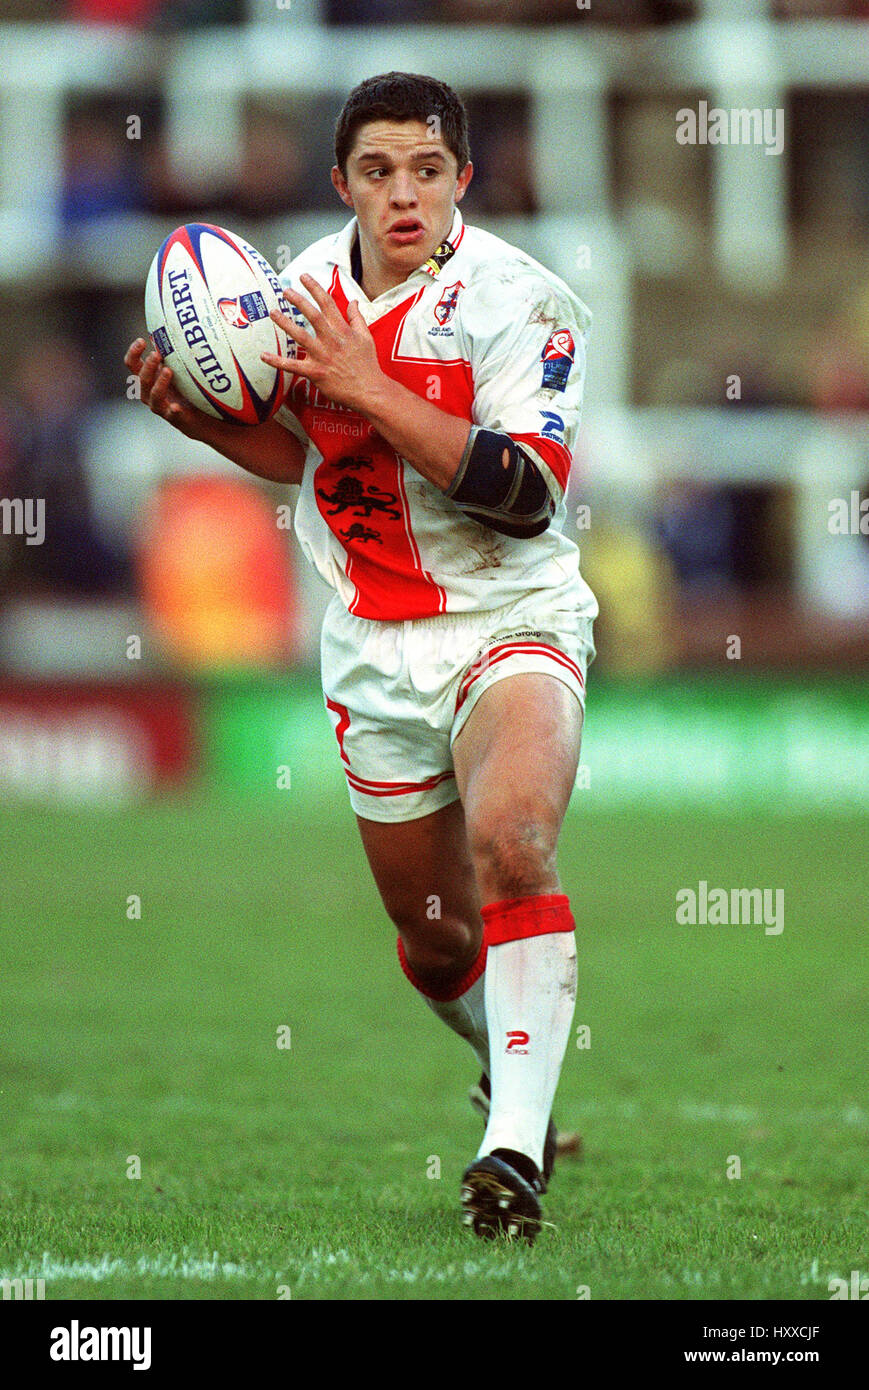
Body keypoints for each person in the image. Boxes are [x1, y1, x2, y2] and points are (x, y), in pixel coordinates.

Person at [125, 72, 598, 1243]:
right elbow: (306, 457)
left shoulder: (524, 306)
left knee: (514, 842)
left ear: (462, 181)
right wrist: (200, 419)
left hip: (510, 619)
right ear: (341, 183)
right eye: (378, 171)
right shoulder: (291, 299)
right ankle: (514, 1069)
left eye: (427, 170)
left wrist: (370, 388)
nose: (404, 195)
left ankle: (511, 1150)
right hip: (374, 647)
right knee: (436, 936)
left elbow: (523, 496)